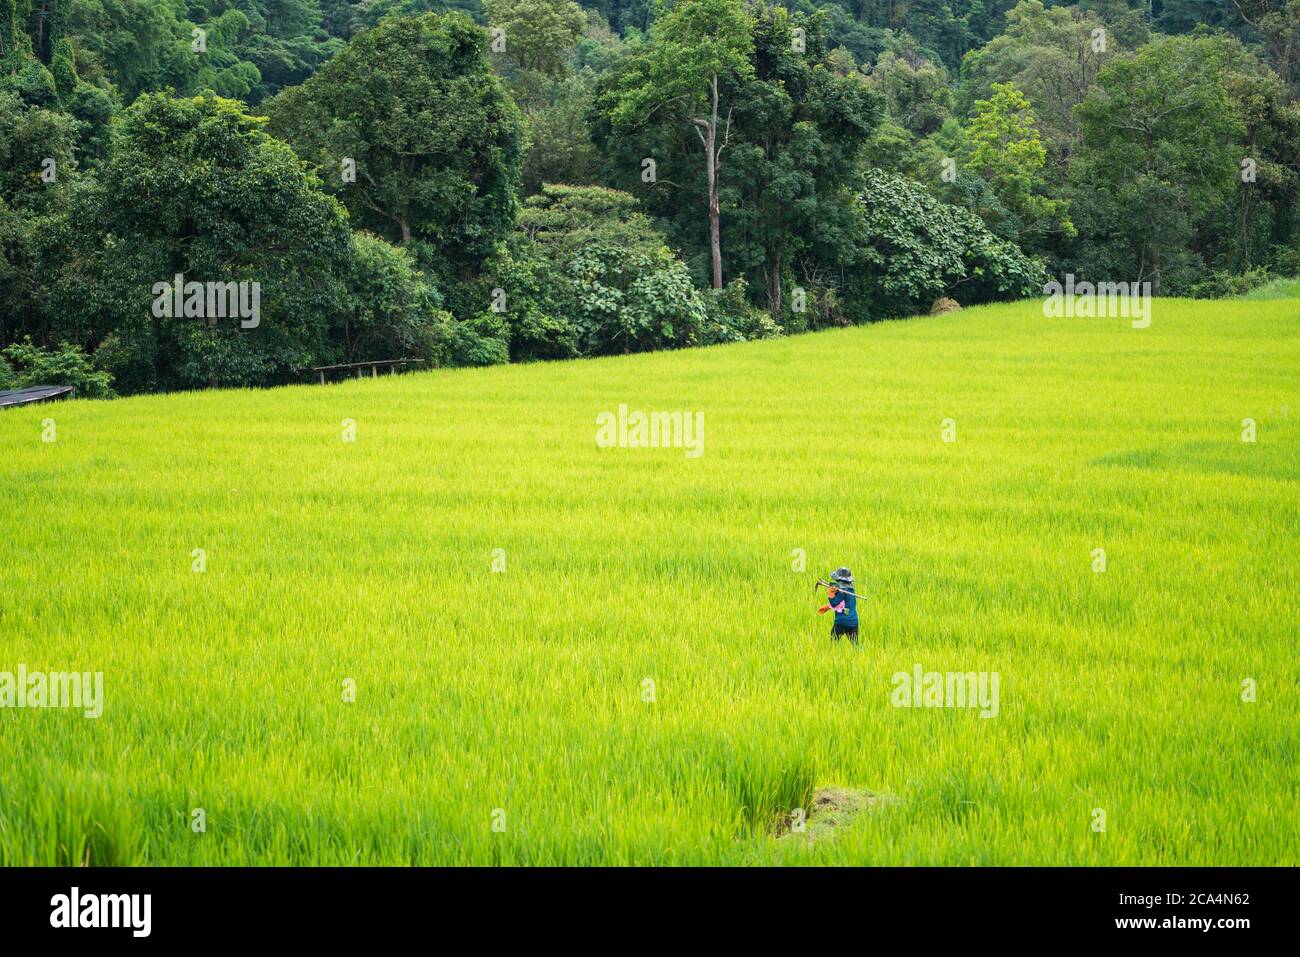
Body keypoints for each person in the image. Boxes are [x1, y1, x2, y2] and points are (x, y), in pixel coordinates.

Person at [817, 567, 859, 644]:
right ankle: (860, 654)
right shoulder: (851, 590)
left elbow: (835, 603)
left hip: (842, 622)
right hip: (854, 622)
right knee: (855, 644)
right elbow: (843, 604)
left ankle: (832, 654)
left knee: (833, 642)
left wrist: (830, 594)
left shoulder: (841, 591)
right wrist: (828, 607)